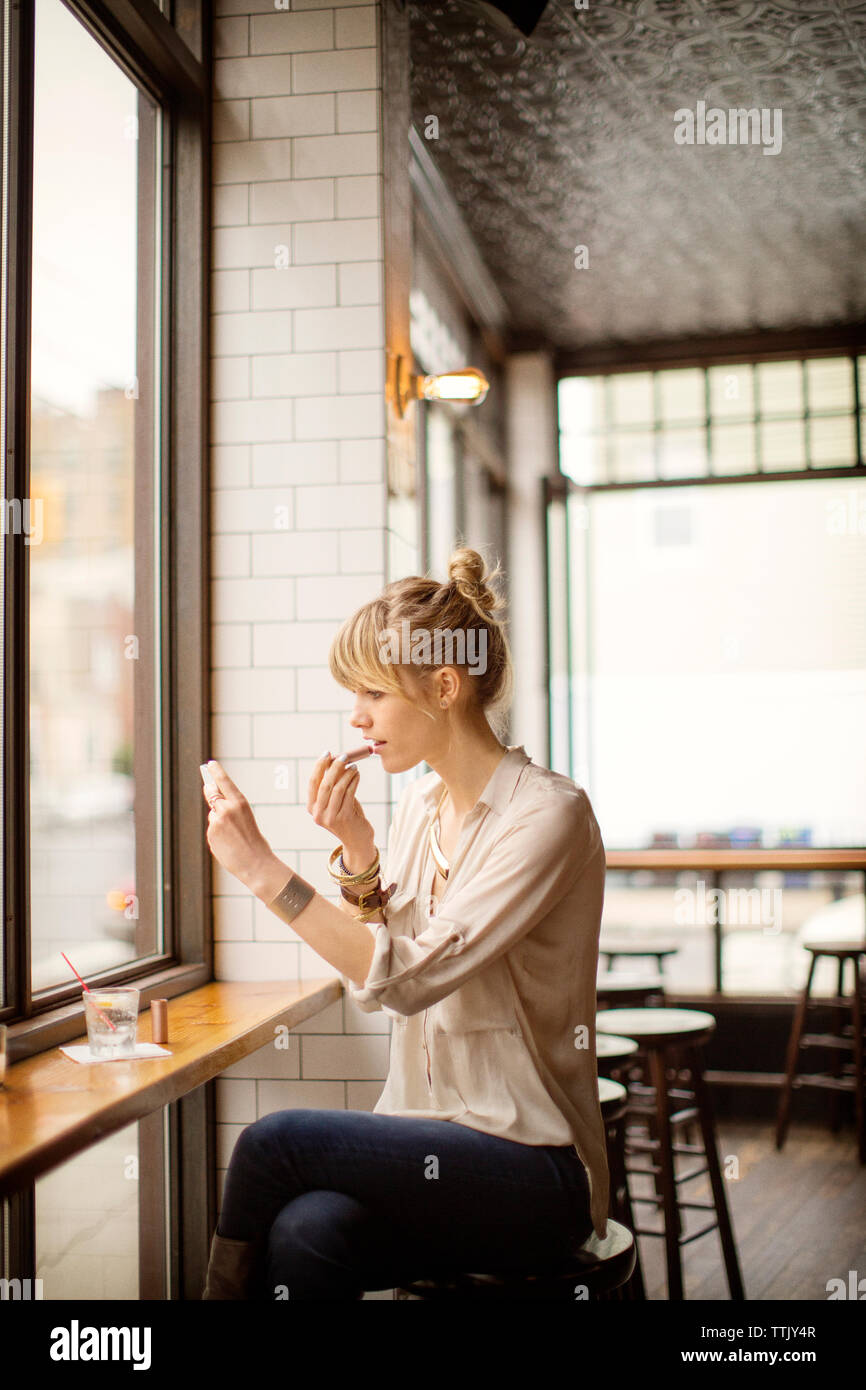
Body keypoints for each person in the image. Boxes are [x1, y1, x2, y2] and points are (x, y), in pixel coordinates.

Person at [201, 545, 610, 1300]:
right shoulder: (423, 806)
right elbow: (379, 977)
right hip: (431, 1141)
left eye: (371, 693)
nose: (355, 718)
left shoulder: (548, 816)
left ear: (444, 687)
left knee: (272, 1144)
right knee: (305, 1231)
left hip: (533, 1165)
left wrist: (263, 871)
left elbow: (408, 981)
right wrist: (358, 851)